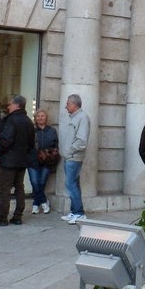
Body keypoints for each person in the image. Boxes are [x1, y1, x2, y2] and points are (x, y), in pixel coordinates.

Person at [0, 94, 35, 227]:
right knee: (19, 189)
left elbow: (6, 141)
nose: (8, 106)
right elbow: (31, 144)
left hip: (8, 161)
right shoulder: (28, 121)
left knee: (4, 190)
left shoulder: (11, 120)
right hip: (21, 161)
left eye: (10, 104)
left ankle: (2, 217)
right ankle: (18, 216)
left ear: (17, 105)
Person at [60, 93, 90, 224]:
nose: (65, 106)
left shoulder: (82, 118)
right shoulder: (74, 117)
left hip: (74, 157)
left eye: (67, 104)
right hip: (69, 156)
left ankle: (79, 213)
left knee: (70, 184)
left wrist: (69, 151)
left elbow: (81, 141)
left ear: (74, 104)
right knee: (73, 184)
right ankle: (74, 211)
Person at [28, 107, 59, 214]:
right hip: (32, 160)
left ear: (46, 118)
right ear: (35, 118)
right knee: (35, 182)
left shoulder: (52, 131)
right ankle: (44, 201)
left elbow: (56, 146)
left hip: (47, 161)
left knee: (41, 183)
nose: (40, 118)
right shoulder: (31, 131)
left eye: (42, 116)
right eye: (38, 116)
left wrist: (52, 155)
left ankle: (36, 204)